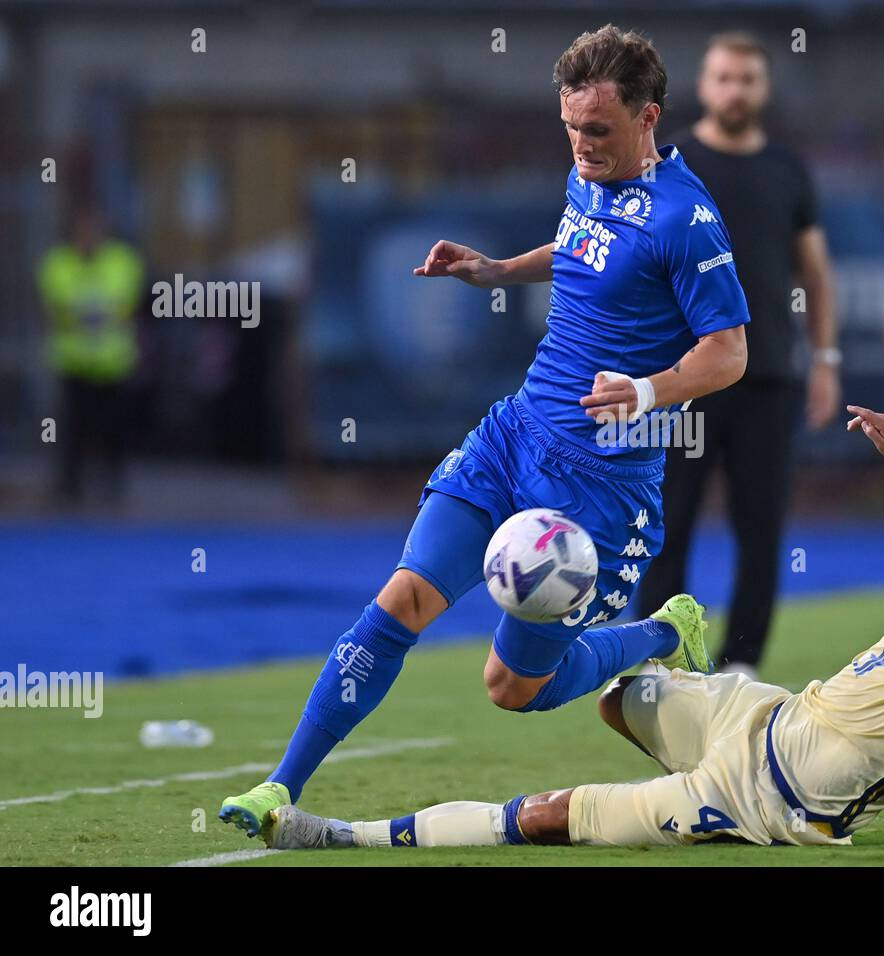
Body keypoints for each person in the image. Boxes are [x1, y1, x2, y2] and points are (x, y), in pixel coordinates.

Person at [220, 24, 751, 837]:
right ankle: (278, 788)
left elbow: (729, 354)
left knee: (510, 687)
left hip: (600, 493)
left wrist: (648, 390)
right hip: (513, 438)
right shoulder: (591, 176)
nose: (580, 146)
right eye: (570, 128)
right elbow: (584, 247)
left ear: (648, 119)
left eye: (598, 131)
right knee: (399, 601)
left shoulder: (688, 220)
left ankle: (659, 632)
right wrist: (498, 270)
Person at [257, 406, 884, 851]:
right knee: (622, 701)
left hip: (778, 797)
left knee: (545, 816)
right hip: (773, 714)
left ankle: (339, 835)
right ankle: (663, 634)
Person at [635, 31, 840, 677]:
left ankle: (740, 667)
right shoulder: (670, 165)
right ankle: (659, 661)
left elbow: (816, 271)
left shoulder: (787, 169)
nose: (734, 90)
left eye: (747, 79)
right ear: (703, 83)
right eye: (723, 77)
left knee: (761, 530)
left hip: (769, 376)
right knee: (667, 527)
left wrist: (826, 360)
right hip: (684, 377)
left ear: (764, 88)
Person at [37, 204, 146, 504]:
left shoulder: (122, 261)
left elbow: (126, 307)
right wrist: (92, 315)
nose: (88, 235)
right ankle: (69, 486)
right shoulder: (57, 263)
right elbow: (55, 310)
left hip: (114, 361)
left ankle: (114, 484)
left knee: (114, 426)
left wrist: (85, 315)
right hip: (74, 361)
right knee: (73, 426)